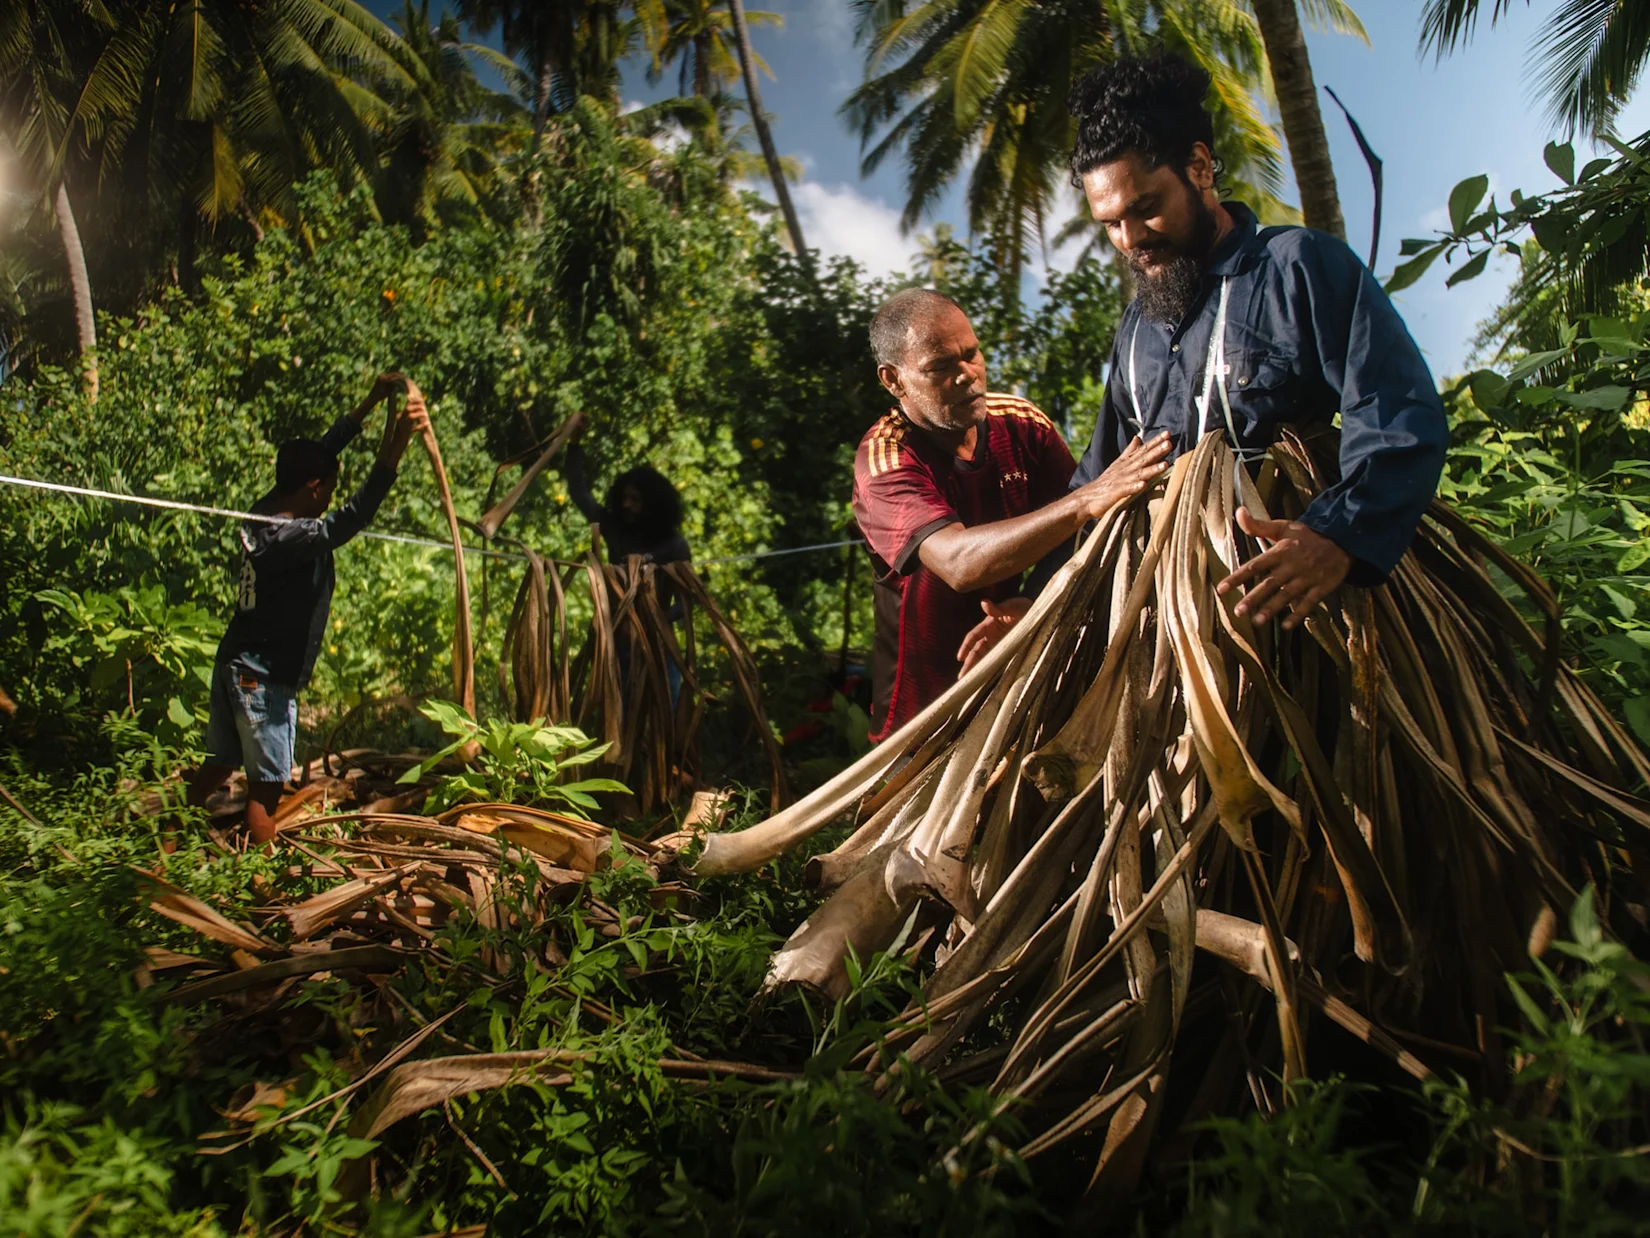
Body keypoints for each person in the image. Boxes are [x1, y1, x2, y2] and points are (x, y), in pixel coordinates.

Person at [1061, 52, 1448, 627]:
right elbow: (1097, 482)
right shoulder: (1136, 327)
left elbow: (1396, 412)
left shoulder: (1298, 267)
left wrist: (1339, 536)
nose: (1130, 238)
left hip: (1300, 611)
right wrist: (1041, 597)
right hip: (1170, 624)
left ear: (1198, 167)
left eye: (1145, 208)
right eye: (1111, 223)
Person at [853, 289, 1173, 742]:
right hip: (926, 708)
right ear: (894, 379)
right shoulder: (886, 458)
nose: (968, 376)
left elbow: (1077, 536)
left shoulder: (1022, 424)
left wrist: (1029, 603)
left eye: (972, 354)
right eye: (941, 367)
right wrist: (1087, 499)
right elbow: (958, 564)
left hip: (1027, 673)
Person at [187, 379, 429, 845]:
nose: (332, 496)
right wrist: (397, 442)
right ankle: (263, 888)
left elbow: (322, 451)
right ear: (315, 489)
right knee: (266, 789)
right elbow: (354, 516)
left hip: (234, 661)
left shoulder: (270, 508)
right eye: (329, 489)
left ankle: (166, 833)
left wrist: (373, 402)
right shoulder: (291, 538)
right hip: (263, 676)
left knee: (219, 764)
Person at [562, 412, 691, 569]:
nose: (626, 505)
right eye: (624, 498)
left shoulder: (674, 545)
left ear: (654, 503)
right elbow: (578, 491)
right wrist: (574, 441)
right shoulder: (615, 529)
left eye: (635, 499)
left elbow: (685, 591)